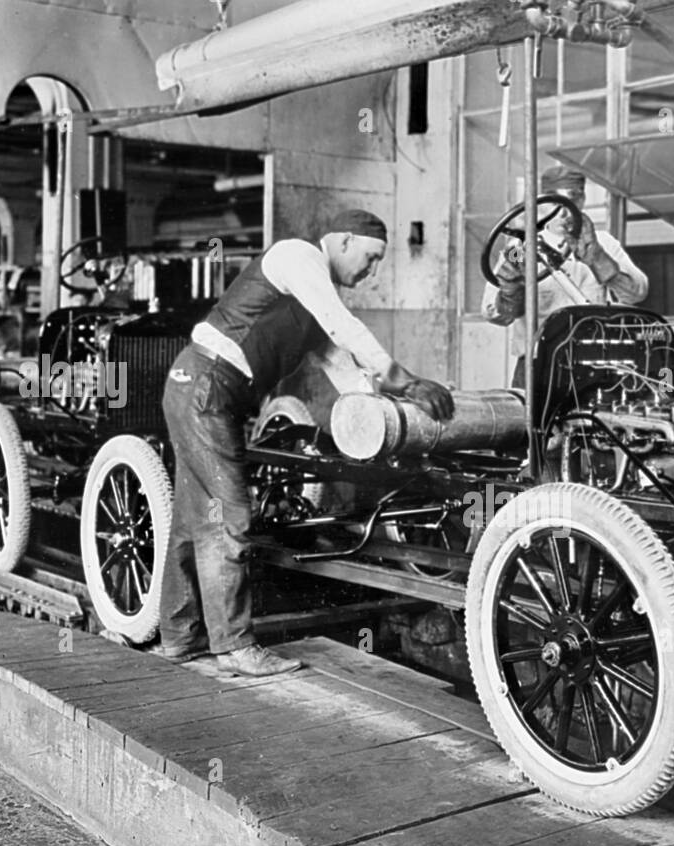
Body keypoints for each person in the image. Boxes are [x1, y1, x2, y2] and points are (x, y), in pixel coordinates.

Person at [157, 209, 454, 678]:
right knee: (229, 515)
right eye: (371, 258)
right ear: (343, 240)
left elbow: (349, 375)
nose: (372, 271)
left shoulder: (310, 305)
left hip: (203, 388)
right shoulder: (297, 257)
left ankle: (178, 637)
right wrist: (406, 380)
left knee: (194, 520)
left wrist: (395, 422)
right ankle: (234, 647)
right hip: (208, 385)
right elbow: (343, 325)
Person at [481, 167, 649, 387]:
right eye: (556, 201)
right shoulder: (518, 247)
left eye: (574, 198)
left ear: (583, 198)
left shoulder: (604, 243)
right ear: (542, 201)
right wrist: (511, 288)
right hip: (537, 367)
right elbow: (494, 313)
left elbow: (637, 293)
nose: (564, 213)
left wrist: (598, 258)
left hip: (594, 363)